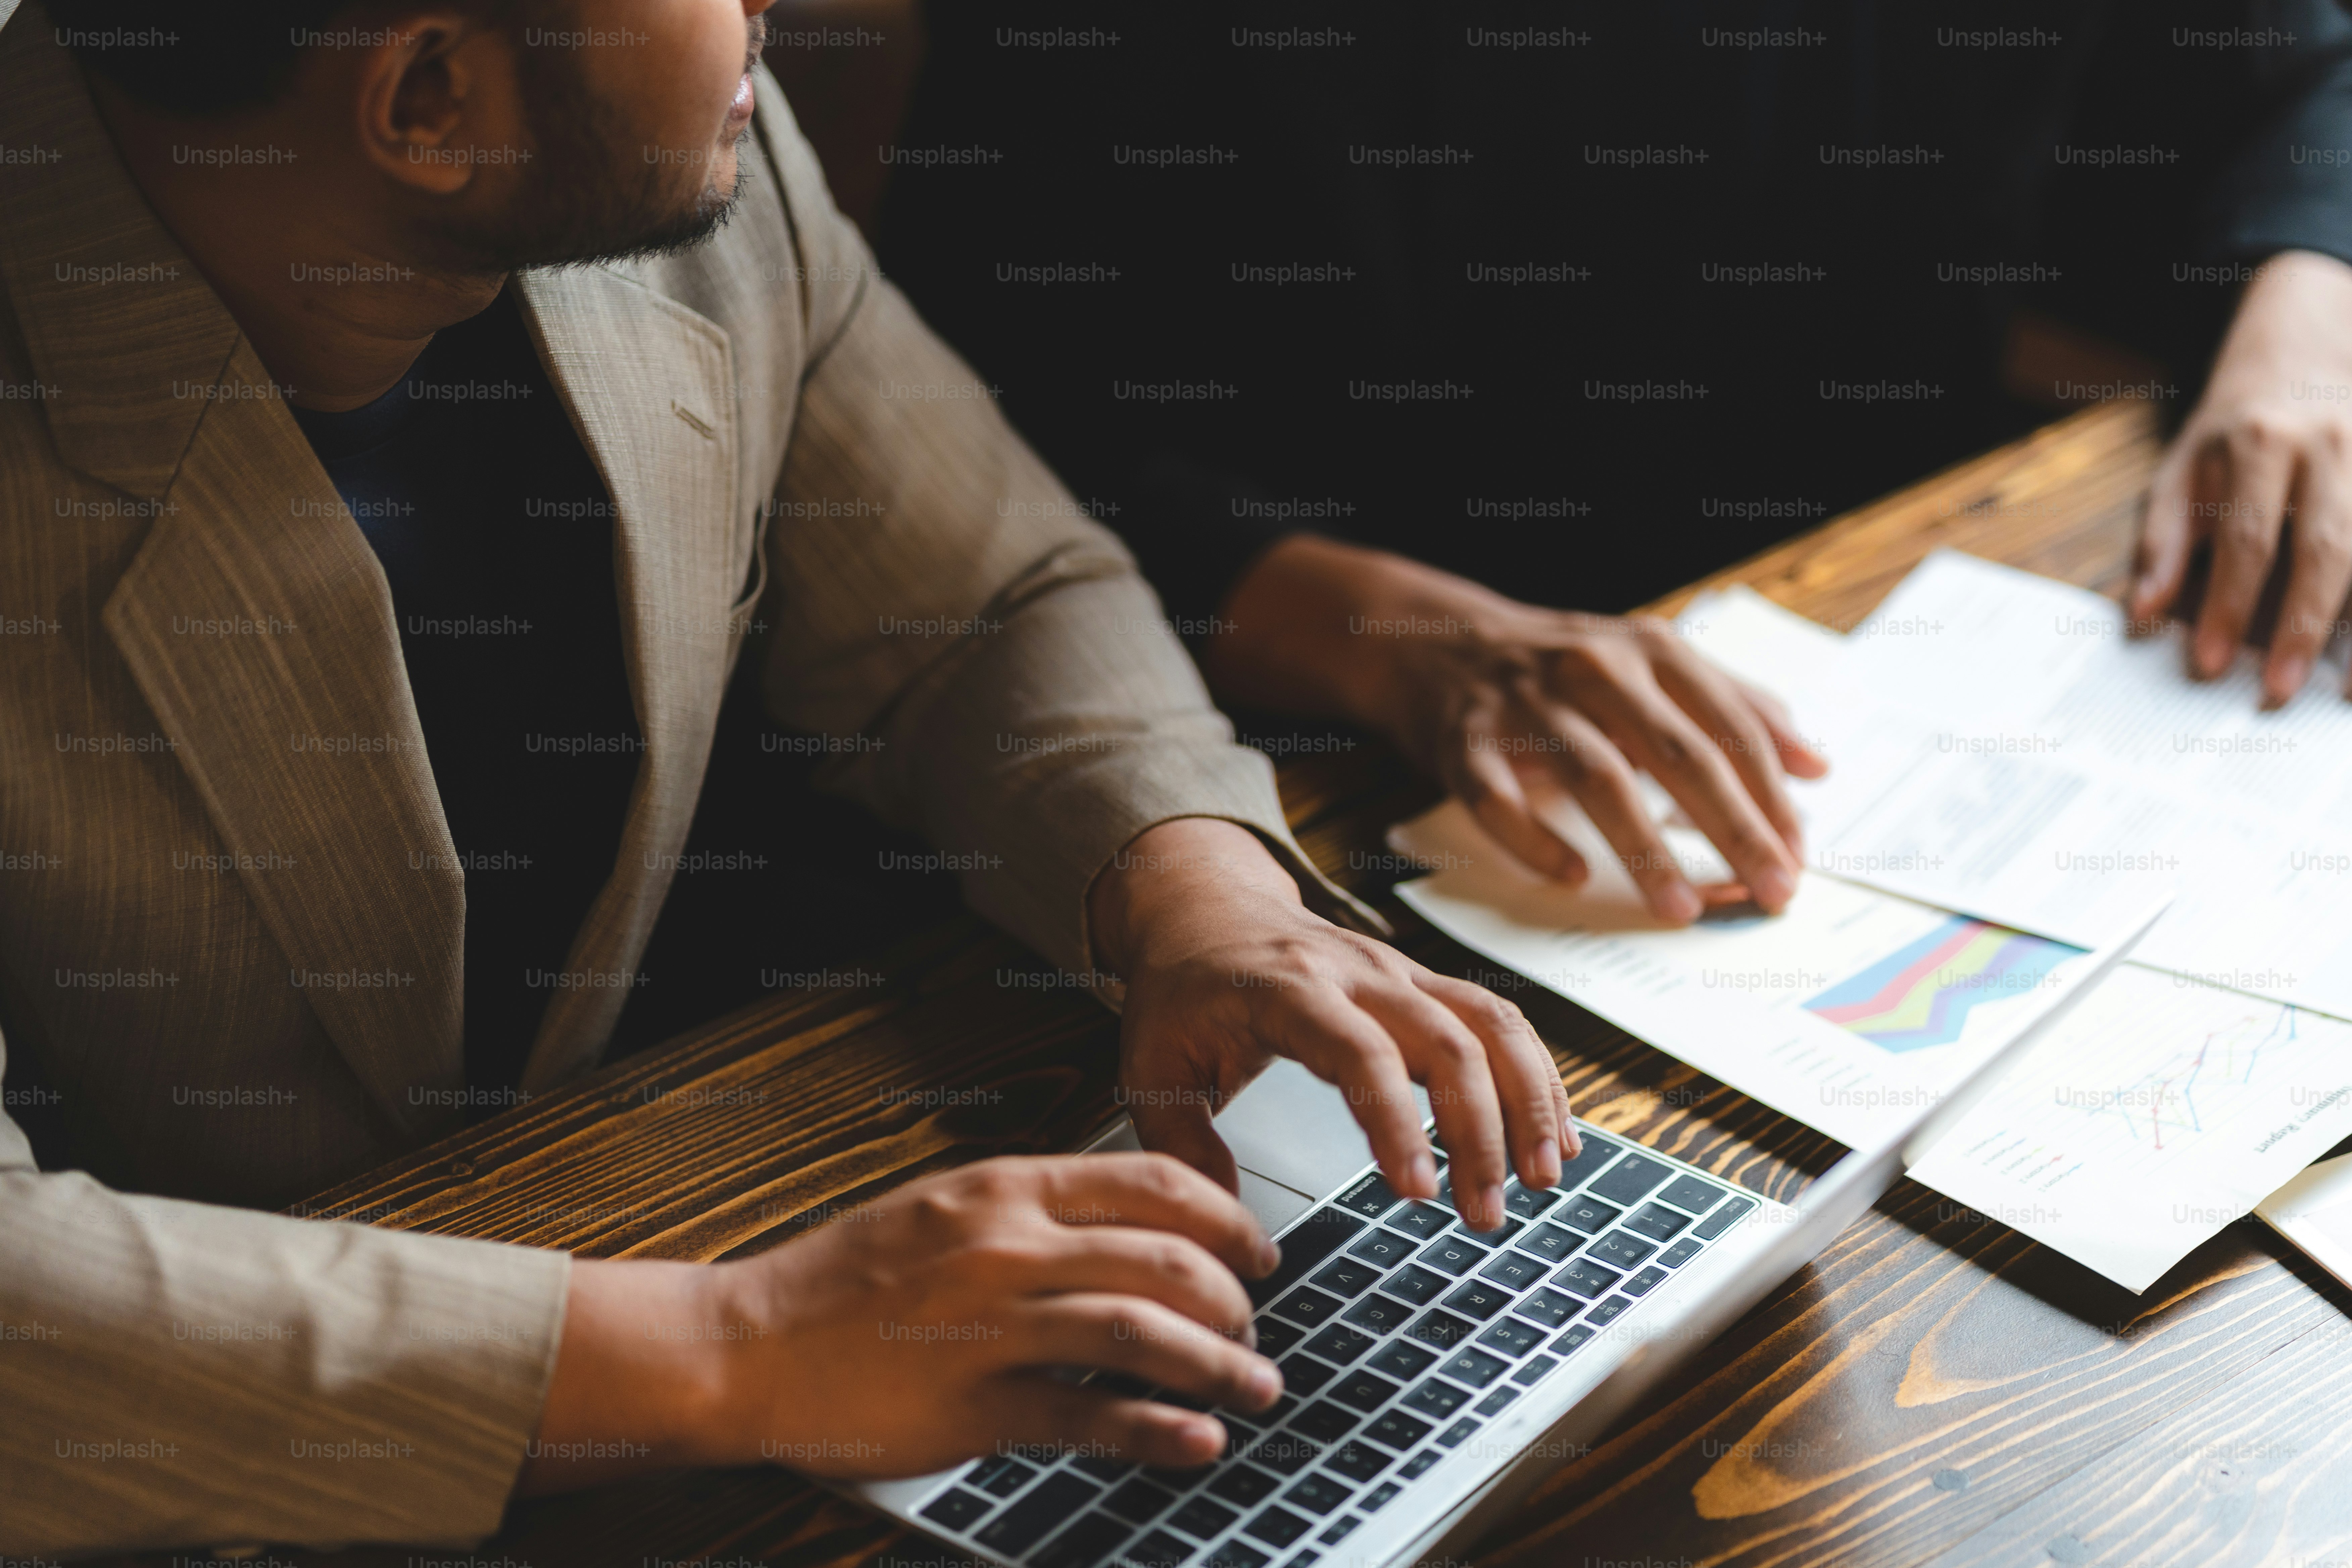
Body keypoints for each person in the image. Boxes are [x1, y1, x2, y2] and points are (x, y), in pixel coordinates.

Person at [0, 0, 1606, 1552]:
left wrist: (1201, 890)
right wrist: (734, 1343)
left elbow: (980, 595)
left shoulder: (688, 164)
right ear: (427, 99)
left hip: (642, 1208)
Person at [861, 0, 2352, 918]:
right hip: (1303, 760)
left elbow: (2297, 83)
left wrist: (2300, 335)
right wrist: (1400, 641)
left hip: (1885, 643)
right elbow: (947, 431)